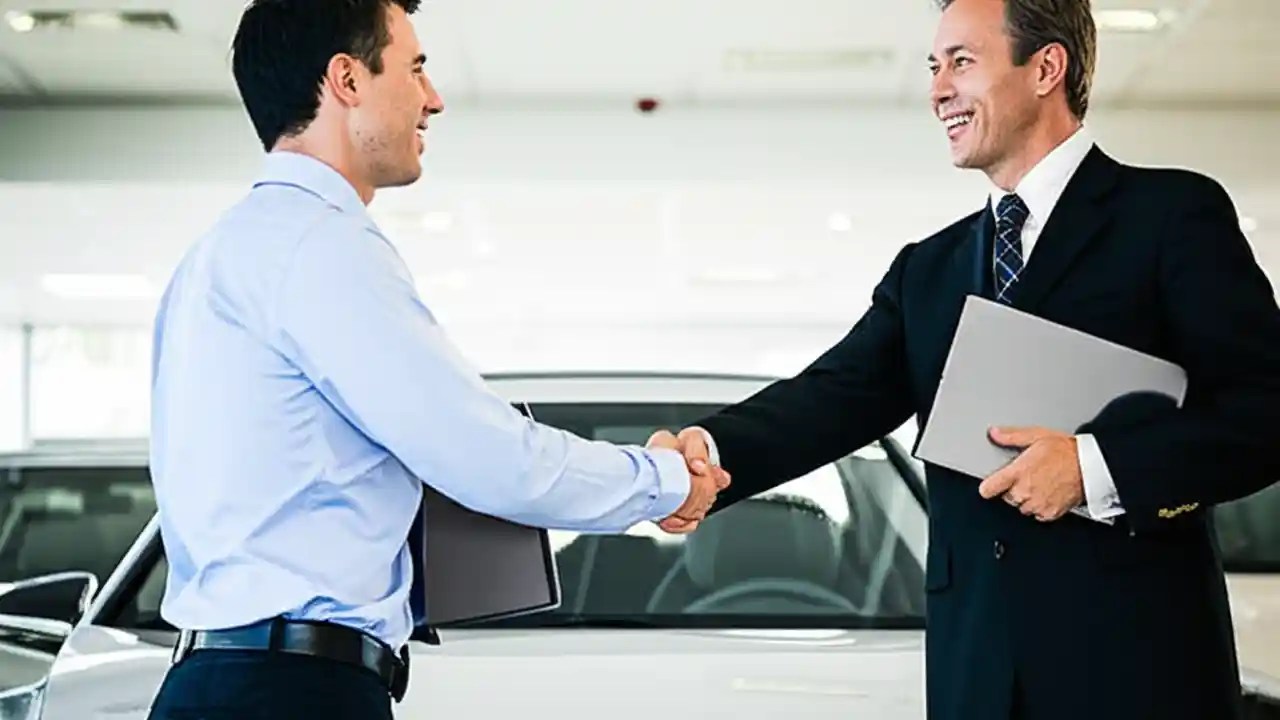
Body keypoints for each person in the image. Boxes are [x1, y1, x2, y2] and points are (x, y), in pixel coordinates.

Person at [652, 0, 1280, 718]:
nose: (937, 89)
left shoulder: (1170, 216)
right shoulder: (930, 270)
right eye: (933, 66)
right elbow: (828, 398)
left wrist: (1094, 468)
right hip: (977, 673)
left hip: (1134, 668)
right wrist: (703, 452)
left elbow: (1265, 412)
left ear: (1047, 67)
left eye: (961, 62)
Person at [144, 2, 728, 719]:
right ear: (347, 79)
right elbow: (486, 456)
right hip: (291, 692)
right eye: (416, 68)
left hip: (234, 678)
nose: (434, 98)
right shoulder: (321, 248)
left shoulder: (221, 254)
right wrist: (666, 479)